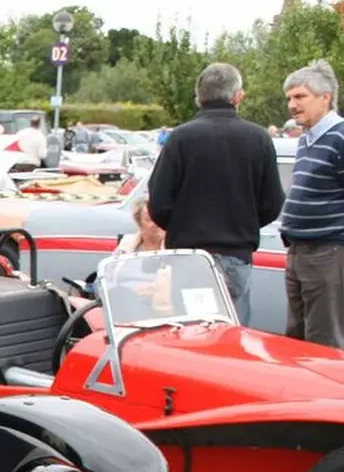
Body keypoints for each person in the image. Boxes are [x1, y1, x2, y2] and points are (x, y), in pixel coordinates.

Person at [145, 62, 284, 325]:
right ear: (237, 96)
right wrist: (243, 224)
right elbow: (272, 203)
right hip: (236, 254)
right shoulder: (259, 139)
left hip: (188, 256)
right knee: (231, 340)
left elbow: (160, 202)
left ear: (199, 98)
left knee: (190, 336)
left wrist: (182, 225)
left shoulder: (180, 139)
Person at [280, 59, 344, 347]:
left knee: (323, 342)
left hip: (327, 252)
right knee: (297, 338)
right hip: (299, 251)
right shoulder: (307, 139)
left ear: (325, 98)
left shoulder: (340, 137)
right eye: (289, 98)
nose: (292, 105)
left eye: (300, 96)